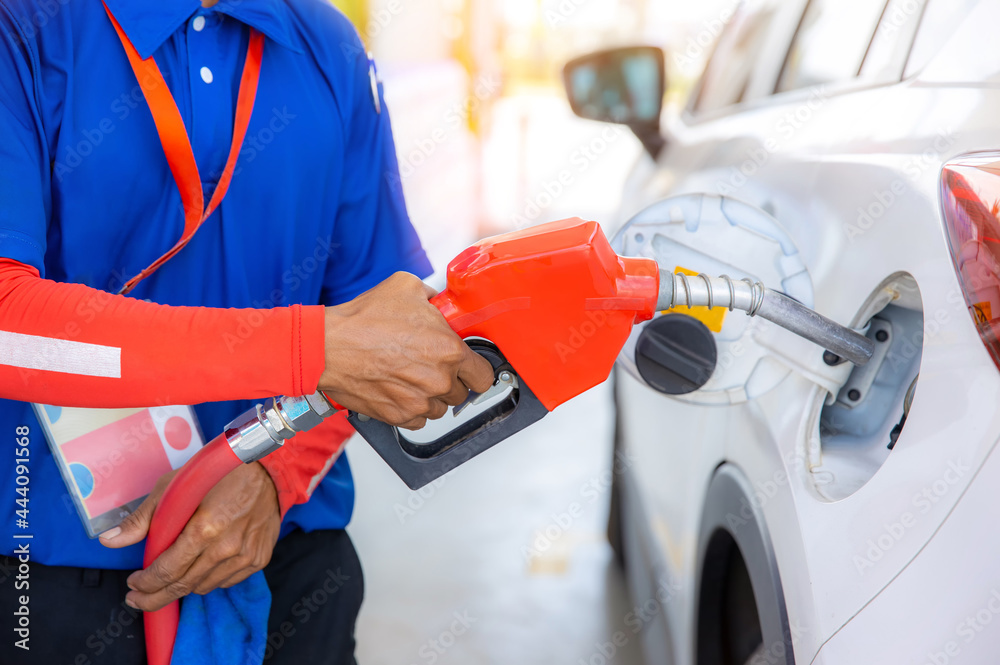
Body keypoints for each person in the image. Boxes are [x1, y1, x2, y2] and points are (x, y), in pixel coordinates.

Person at [0, 0, 494, 663]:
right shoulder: (25, 28)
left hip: (288, 562)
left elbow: (371, 327)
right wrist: (311, 348)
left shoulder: (324, 42)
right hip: (54, 582)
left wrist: (273, 470)